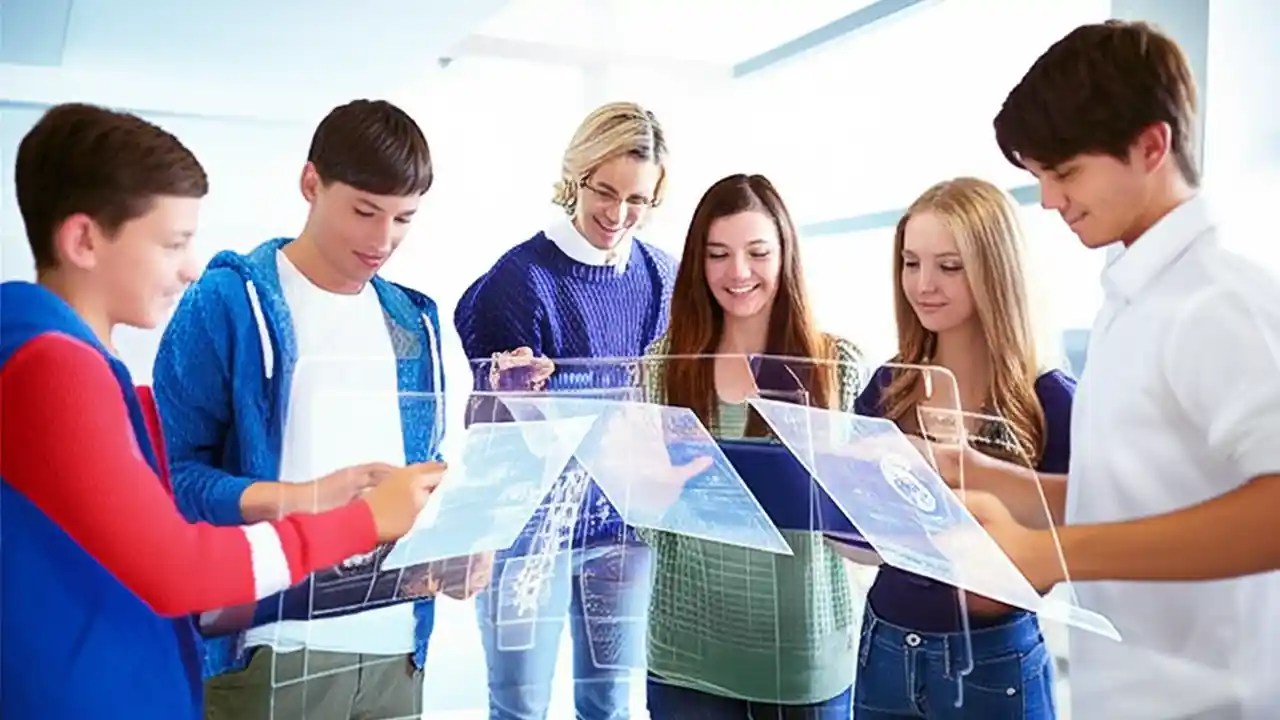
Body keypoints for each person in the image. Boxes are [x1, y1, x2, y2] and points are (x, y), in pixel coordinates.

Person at [0, 103, 442, 720]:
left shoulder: (72, 363)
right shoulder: (53, 367)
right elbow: (177, 567)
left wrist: (321, 496)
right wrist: (361, 520)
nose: (189, 266)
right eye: (174, 242)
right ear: (83, 240)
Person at [959, 19, 1280, 719]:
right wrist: (990, 480)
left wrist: (1051, 554)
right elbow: (1146, 493)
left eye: (1065, 172)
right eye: (1041, 176)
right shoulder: (1135, 297)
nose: (1048, 200)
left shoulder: (1218, 301)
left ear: (1151, 145)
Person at [152, 98, 455, 720]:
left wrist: (455, 541)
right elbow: (170, 479)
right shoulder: (229, 303)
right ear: (310, 184)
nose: (383, 240)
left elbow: (425, 474)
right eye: (365, 211)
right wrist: (304, 497)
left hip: (397, 650)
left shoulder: (414, 322)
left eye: (404, 218)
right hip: (269, 645)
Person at [454, 100, 677, 720]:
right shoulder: (519, 279)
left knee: (608, 702)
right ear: (574, 176)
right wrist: (511, 391)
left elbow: (661, 400)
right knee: (519, 704)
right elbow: (487, 424)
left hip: (622, 530)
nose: (618, 214)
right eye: (604, 191)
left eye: (639, 201)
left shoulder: (663, 276)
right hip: (528, 528)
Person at [849, 177, 1074, 719]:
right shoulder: (887, 386)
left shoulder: (1051, 401)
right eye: (911, 263)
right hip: (884, 647)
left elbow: (1067, 553)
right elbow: (852, 537)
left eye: (949, 267)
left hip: (992, 663)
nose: (924, 284)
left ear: (996, 272)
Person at [641, 173, 862, 719]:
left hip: (804, 663)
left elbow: (855, 528)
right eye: (718, 255)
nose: (738, 273)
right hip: (687, 660)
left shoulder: (836, 366)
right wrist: (651, 495)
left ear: (786, 256)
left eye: (757, 253)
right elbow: (648, 523)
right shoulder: (664, 365)